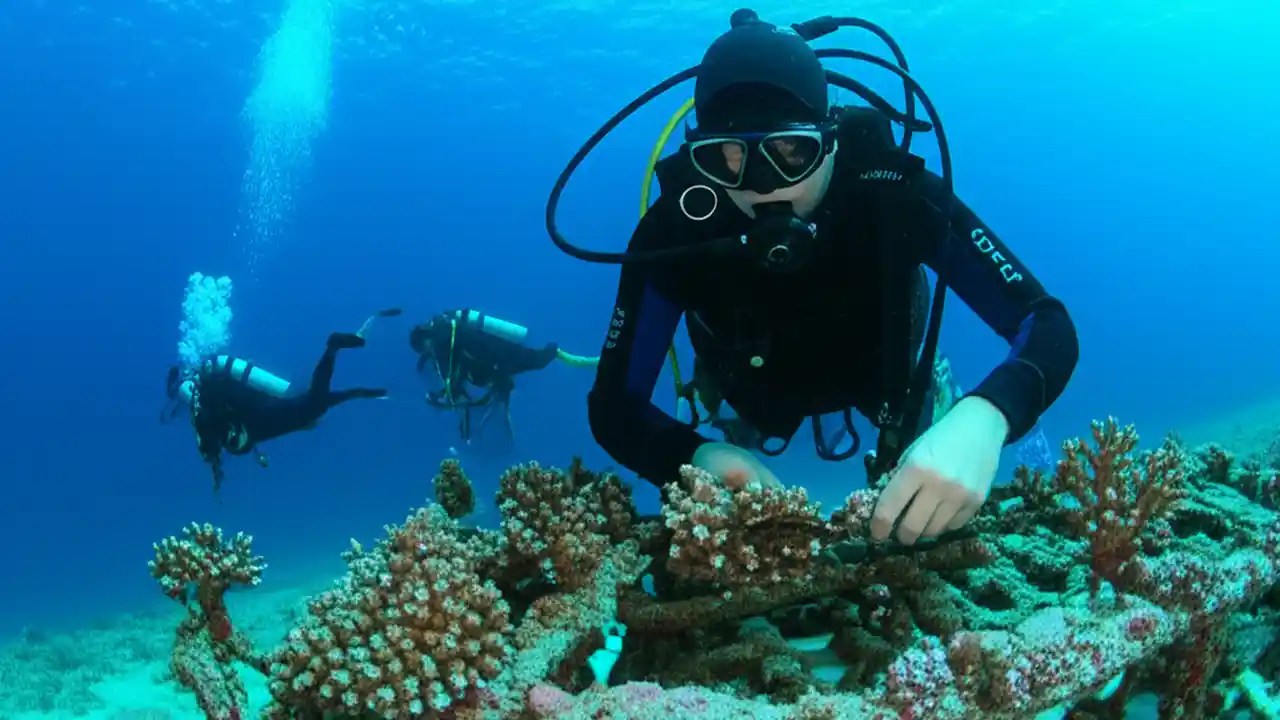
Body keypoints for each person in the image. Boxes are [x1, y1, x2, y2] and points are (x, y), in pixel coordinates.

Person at [570, 11, 1079, 546]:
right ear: (701, 158)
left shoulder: (894, 197)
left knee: (918, 433)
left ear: (831, 139)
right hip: (750, 395)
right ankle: (730, 433)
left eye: (791, 152)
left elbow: (1046, 323)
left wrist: (987, 416)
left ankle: (940, 402)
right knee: (735, 434)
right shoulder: (676, 229)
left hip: (883, 383)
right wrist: (693, 454)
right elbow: (613, 406)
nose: (763, 187)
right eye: (728, 158)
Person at [167, 311, 399, 490]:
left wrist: (215, 463)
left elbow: (210, 447)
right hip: (258, 415)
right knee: (309, 408)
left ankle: (333, 348)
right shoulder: (207, 395)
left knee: (311, 408)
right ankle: (356, 391)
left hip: (256, 422)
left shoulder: (201, 406)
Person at [410, 309, 598, 444]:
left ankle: (564, 354)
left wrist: (444, 394)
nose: (430, 351)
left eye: (426, 348)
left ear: (426, 340)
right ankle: (559, 354)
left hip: (498, 357)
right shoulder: (446, 330)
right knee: (529, 363)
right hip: (495, 358)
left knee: (534, 361)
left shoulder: (442, 338)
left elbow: (449, 375)